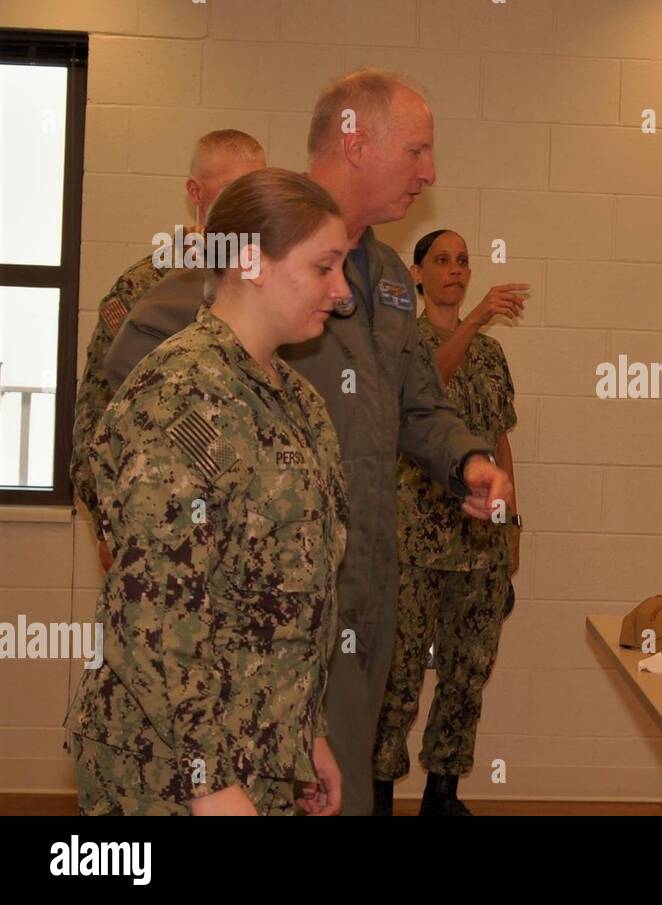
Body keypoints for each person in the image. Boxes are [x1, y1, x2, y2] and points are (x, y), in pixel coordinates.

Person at [100, 70, 513, 815]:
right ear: (356, 143)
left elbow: (420, 401)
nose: (431, 173)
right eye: (416, 150)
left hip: (343, 601)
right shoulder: (254, 243)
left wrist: (466, 459)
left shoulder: (384, 277)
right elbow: (158, 617)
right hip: (238, 635)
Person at [67, 168, 351, 815]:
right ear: (251, 261)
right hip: (168, 768)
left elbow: (289, 599)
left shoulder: (295, 400)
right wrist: (208, 779)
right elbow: (152, 614)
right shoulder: (182, 394)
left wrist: (307, 733)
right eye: (324, 266)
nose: (340, 290)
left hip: (260, 749)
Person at [372, 229, 527, 816]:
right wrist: (477, 318)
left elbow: (500, 440)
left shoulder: (492, 354)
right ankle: (380, 795)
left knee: (467, 676)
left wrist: (514, 523)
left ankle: (443, 795)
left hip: (480, 545)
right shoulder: (401, 342)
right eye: (441, 259)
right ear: (416, 274)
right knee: (399, 677)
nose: (455, 270)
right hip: (414, 542)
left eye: (463, 260)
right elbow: (423, 390)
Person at [71, 129, 265, 568]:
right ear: (195, 192)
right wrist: (110, 524)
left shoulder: (267, 286)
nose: (247, 206)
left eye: (255, 191)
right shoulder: (143, 288)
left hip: (246, 533)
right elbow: (99, 414)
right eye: (232, 190)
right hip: (159, 526)